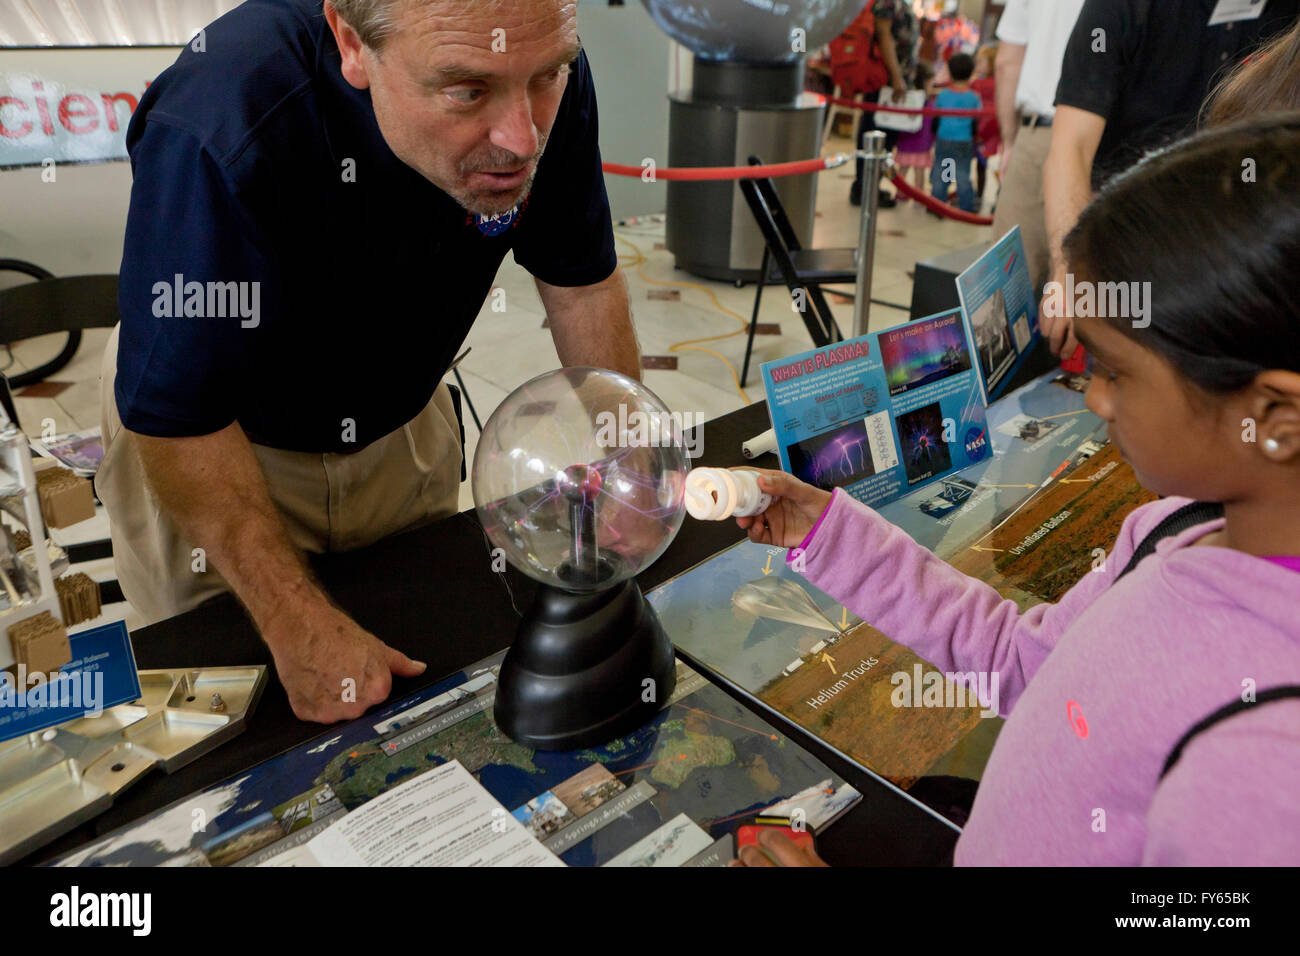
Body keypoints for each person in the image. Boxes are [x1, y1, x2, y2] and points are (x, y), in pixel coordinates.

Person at [731, 115, 1300, 866]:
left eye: (1117, 372)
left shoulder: (1265, 770)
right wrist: (827, 533)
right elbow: (1020, 664)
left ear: (1274, 418)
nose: (1095, 399)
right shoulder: (1174, 529)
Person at [99, 0, 642, 724]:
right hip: (223, 447)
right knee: (239, 714)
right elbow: (179, 413)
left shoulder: (532, 66)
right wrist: (295, 622)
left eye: (547, 76)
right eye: (466, 90)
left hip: (401, 423)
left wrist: (631, 470)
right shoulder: (221, 117)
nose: (521, 137)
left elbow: (580, 283)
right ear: (354, 44)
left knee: (420, 680)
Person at [1039, 0, 1300, 360]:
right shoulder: (1123, 9)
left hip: (1225, 240)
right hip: (1116, 220)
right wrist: (1068, 269)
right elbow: (1072, 145)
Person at [990, 0, 1085, 298]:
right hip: (1114, 137)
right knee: (1093, 293)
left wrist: (1010, 141)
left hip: (1039, 132)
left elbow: (1007, 62)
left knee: (1010, 289)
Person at [848, 0, 921, 207]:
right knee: (876, 133)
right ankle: (864, 188)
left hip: (893, 82)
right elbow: (883, 34)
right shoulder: (888, 2)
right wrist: (897, 76)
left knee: (887, 136)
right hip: (884, 81)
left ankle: (870, 187)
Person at [931, 52, 980, 213]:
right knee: (962, 174)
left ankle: (938, 205)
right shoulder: (973, 97)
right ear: (971, 73)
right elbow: (976, 121)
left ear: (950, 72)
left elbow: (936, 118)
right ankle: (966, 208)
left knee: (943, 172)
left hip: (944, 138)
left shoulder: (943, 95)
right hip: (964, 141)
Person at [891, 63, 937, 200]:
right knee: (919, 171)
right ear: (926, 82)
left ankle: (900, 193)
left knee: (903, 168)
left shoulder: (906, 101)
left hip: (905, 142)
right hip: (922, 145)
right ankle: (919, 195)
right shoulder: (931, 105)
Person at [969, 44, 1000, 204]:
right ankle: (996, 196)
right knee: (993, 164)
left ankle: (979, 195)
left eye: (981, 61)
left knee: (979, 165)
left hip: (980, 128)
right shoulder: (1000, 83)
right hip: (995, 129)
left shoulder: (976, 84)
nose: (977, 65)